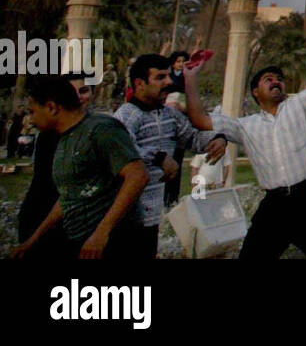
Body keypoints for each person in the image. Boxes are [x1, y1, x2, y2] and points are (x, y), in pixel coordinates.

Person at [180, 51, 306, 259]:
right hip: (275, 205)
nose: (275, 82)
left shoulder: (302, 104)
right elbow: (200, 120)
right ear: (255, 92)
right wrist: (190, 78)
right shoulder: (246, 126)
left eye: (279, 79)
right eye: (268, 80)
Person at [13, 75, 149, 260]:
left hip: (113, 243)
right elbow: (70, 195)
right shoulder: (63, 137)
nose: (31, 120)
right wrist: (33, 240)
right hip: (82, 244)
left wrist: (102, 233)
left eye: (33, 112)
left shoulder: (101, 130)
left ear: (52, 108)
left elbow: (138, 176)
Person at [114, 54, 227, 256]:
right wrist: (158, 157)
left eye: (168, 76)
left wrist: (218, 139)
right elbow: (120, 150)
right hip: (123, 215)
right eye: (160, 77)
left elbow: (192, 138)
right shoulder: (127, 115)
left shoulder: (169, 115)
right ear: (140, 84)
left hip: (151, 215)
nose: (169, 82)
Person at [16, 72, 96, 260]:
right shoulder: (51, 134)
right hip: (46, 219)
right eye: (72, 92)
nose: (78, 97)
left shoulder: (98, 129)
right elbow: (52, 186)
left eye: (84, 91)